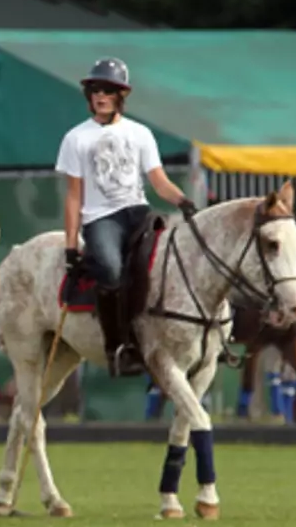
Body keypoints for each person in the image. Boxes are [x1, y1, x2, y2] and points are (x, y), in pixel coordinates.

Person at [55, 57, 197, 377]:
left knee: (165, 262)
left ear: (121, 96)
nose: (100, 96)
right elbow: (74, 195)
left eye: (108, 90)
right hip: (100, 219)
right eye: (95, 90)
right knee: (110, 269)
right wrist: (69, 244)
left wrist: (184, 201)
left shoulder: (141, 133)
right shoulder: (76, 138)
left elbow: (158, 182)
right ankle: (117, 347)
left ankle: (168, 337)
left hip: (138, 212)